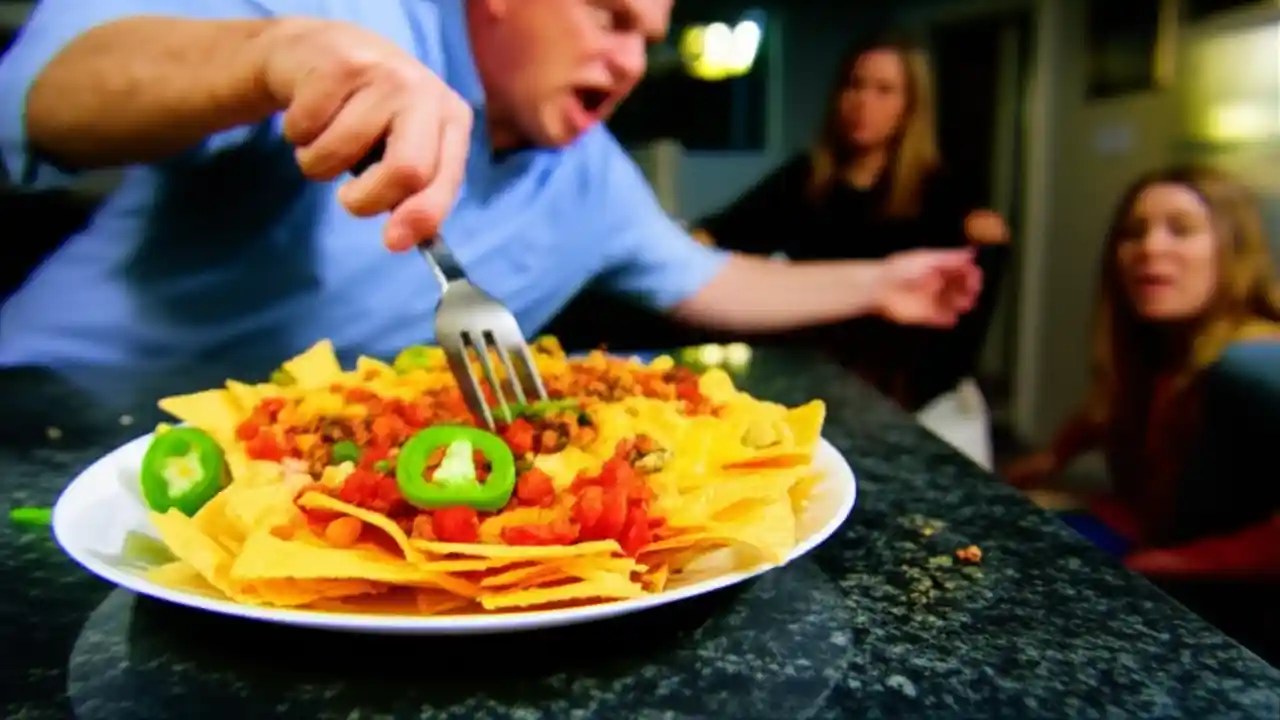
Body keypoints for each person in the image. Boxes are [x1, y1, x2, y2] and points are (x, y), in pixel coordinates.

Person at [0, 0, 981, 370]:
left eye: (645, 35)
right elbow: (43, 95)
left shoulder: (589, 173)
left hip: (287, 496)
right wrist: (275, 53)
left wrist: (880, 283)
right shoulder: (350, 15)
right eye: (607, 16)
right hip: (48, 430)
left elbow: (703, 278)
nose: (632, 60)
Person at [692, 31, 1008, 468]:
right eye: (854, 85)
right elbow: (717, 235)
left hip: (915, 402)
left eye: (883, 90)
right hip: (819, 392)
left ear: (910, 106)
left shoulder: (942, 194)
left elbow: (970, 305)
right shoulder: (804, 180)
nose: (863, 102)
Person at [1003, 165, 1280, 578]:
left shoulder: (1253, 363)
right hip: (1149, 544)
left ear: (1232, 250)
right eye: (1133, 233)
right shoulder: (1161, 347)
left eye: (1181, 230)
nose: (1150, 248)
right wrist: (1053, 455)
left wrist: (1172, 564)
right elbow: (1104, 411)